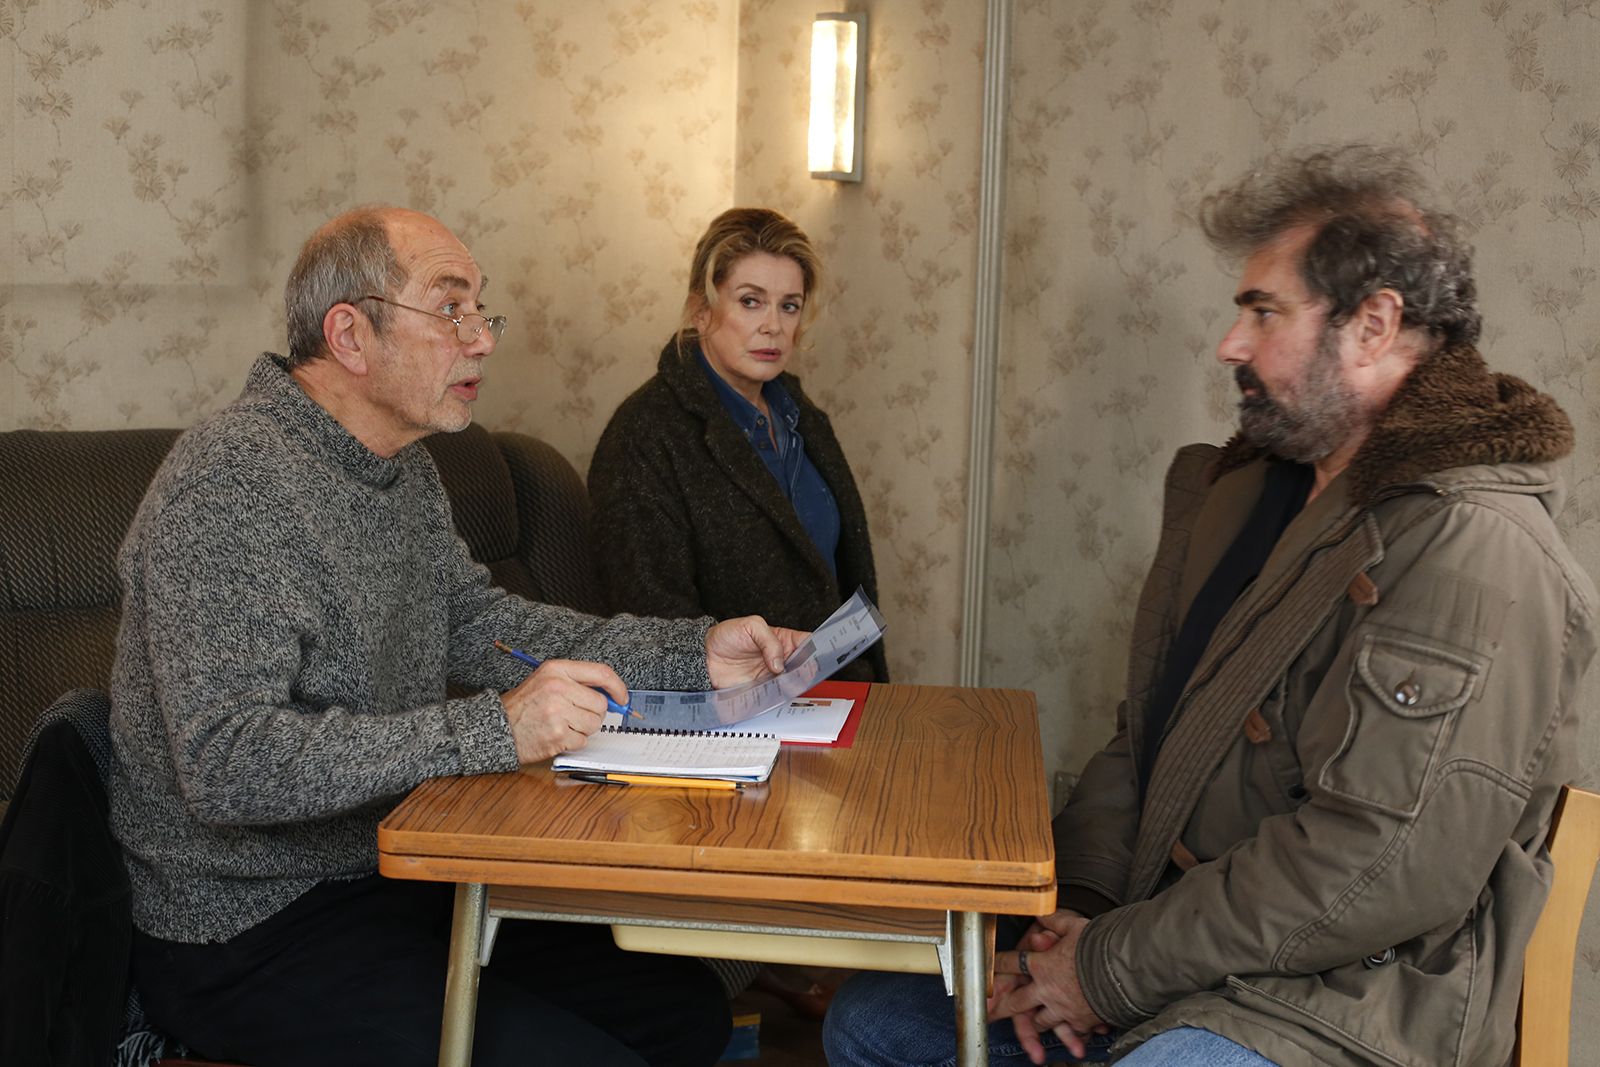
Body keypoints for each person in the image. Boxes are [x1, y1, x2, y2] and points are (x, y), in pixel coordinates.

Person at [823, 144, 1597, 1067]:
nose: (1232, 344)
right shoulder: (1242, 493)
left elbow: (1380, 865)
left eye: (1264, 313)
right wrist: (1076, 918)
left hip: (1348, 999)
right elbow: (1142, 737)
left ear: (1375, 324)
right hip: (1176, 945)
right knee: (875, 1022)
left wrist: (1107, 968)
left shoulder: (1477, 550)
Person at [108, 205, 805, 1067]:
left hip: (387, 876)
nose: (480, 341)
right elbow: (225, 763)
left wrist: (692, 653)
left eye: (482, 312)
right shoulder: (230, 488)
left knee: (682, 1012)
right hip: (245, 927)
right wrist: (495, 731)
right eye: (450, 310)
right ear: (350, 335)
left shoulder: (398, 468)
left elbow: (486, 626)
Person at [587, 206, 887, 684]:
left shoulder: (803, 416)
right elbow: (649, 625)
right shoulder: (644, 435)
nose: (773, 325)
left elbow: (844, 583)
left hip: (838, 695)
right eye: (751, 301)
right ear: (701, 309)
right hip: (730, 724)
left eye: (789, 305)